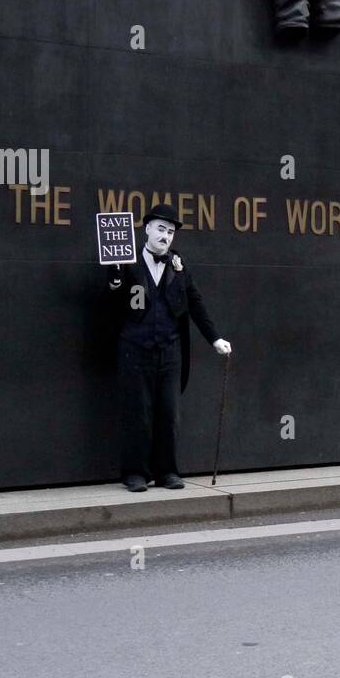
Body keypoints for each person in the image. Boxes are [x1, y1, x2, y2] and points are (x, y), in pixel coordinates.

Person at [105, 204, 231, 492]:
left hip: (170, 351)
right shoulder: (126, 261)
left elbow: (195, 303)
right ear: (147, 229)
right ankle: (135, 473)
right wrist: (114, 280)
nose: (165, 236)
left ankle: (167, 472)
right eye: (160, 229)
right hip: (134, 348)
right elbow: (111, 300)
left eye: (170, 232)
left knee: (169, 412)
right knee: (138, 413)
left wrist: (214, 338)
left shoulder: (178, 265)